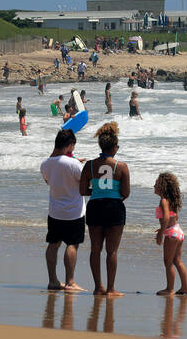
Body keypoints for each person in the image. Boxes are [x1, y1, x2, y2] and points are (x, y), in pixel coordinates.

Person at [80, 122, 131, 297]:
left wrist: (98, 192)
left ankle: (98, 287)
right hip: (114, 207)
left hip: (95, 206)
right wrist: (112, 193)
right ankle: (111, 289)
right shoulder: (121, 166)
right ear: (114, 147)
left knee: (95, 249)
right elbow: (126, 193)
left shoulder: (90, 165)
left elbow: (82, 191)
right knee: (112, 251)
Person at [40, 128, 86, 291]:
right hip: (74, 212)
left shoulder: (45, 164)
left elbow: (49, 181)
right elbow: (84, 183)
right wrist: (77, 162)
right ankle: (70, 282)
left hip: (55, 211)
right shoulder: (74, 164)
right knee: (72, 244)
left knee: (53, 244)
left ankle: (53, 280)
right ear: (69, 145)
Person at [154, 172, 187, 296]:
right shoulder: (171, 201)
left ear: (162, 187)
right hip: (178, 231)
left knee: (168, 263)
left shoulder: (163, 201)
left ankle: (170, 289)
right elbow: (174, 217)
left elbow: (166, 218)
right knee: (177, 261)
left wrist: (161, 233)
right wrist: (163, 228)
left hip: (171, 234)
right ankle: (185, 288)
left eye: (156, 184)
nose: (154, 186)